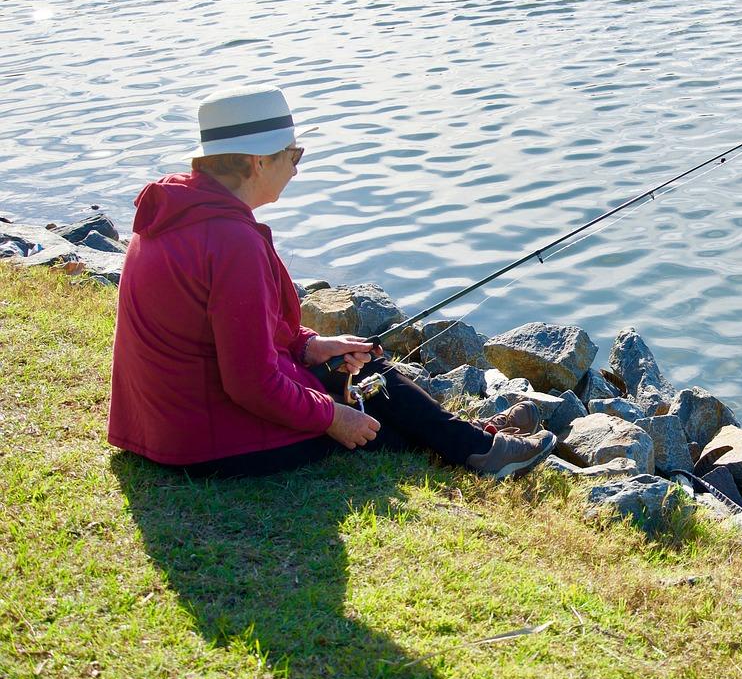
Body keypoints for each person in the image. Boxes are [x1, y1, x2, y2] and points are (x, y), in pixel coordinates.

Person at [108, 84, 556, 479]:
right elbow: (249, 384)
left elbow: (230, 331)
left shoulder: (177, 209)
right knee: (377, 413)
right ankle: (481, 449)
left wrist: (308, 346)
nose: (297, 168)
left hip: (162, 421)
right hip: (208, 440)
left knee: (353, 369)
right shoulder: (230, 242)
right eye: (293, 155)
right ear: (258, 162)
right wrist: (331, 418)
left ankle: (478, 443)